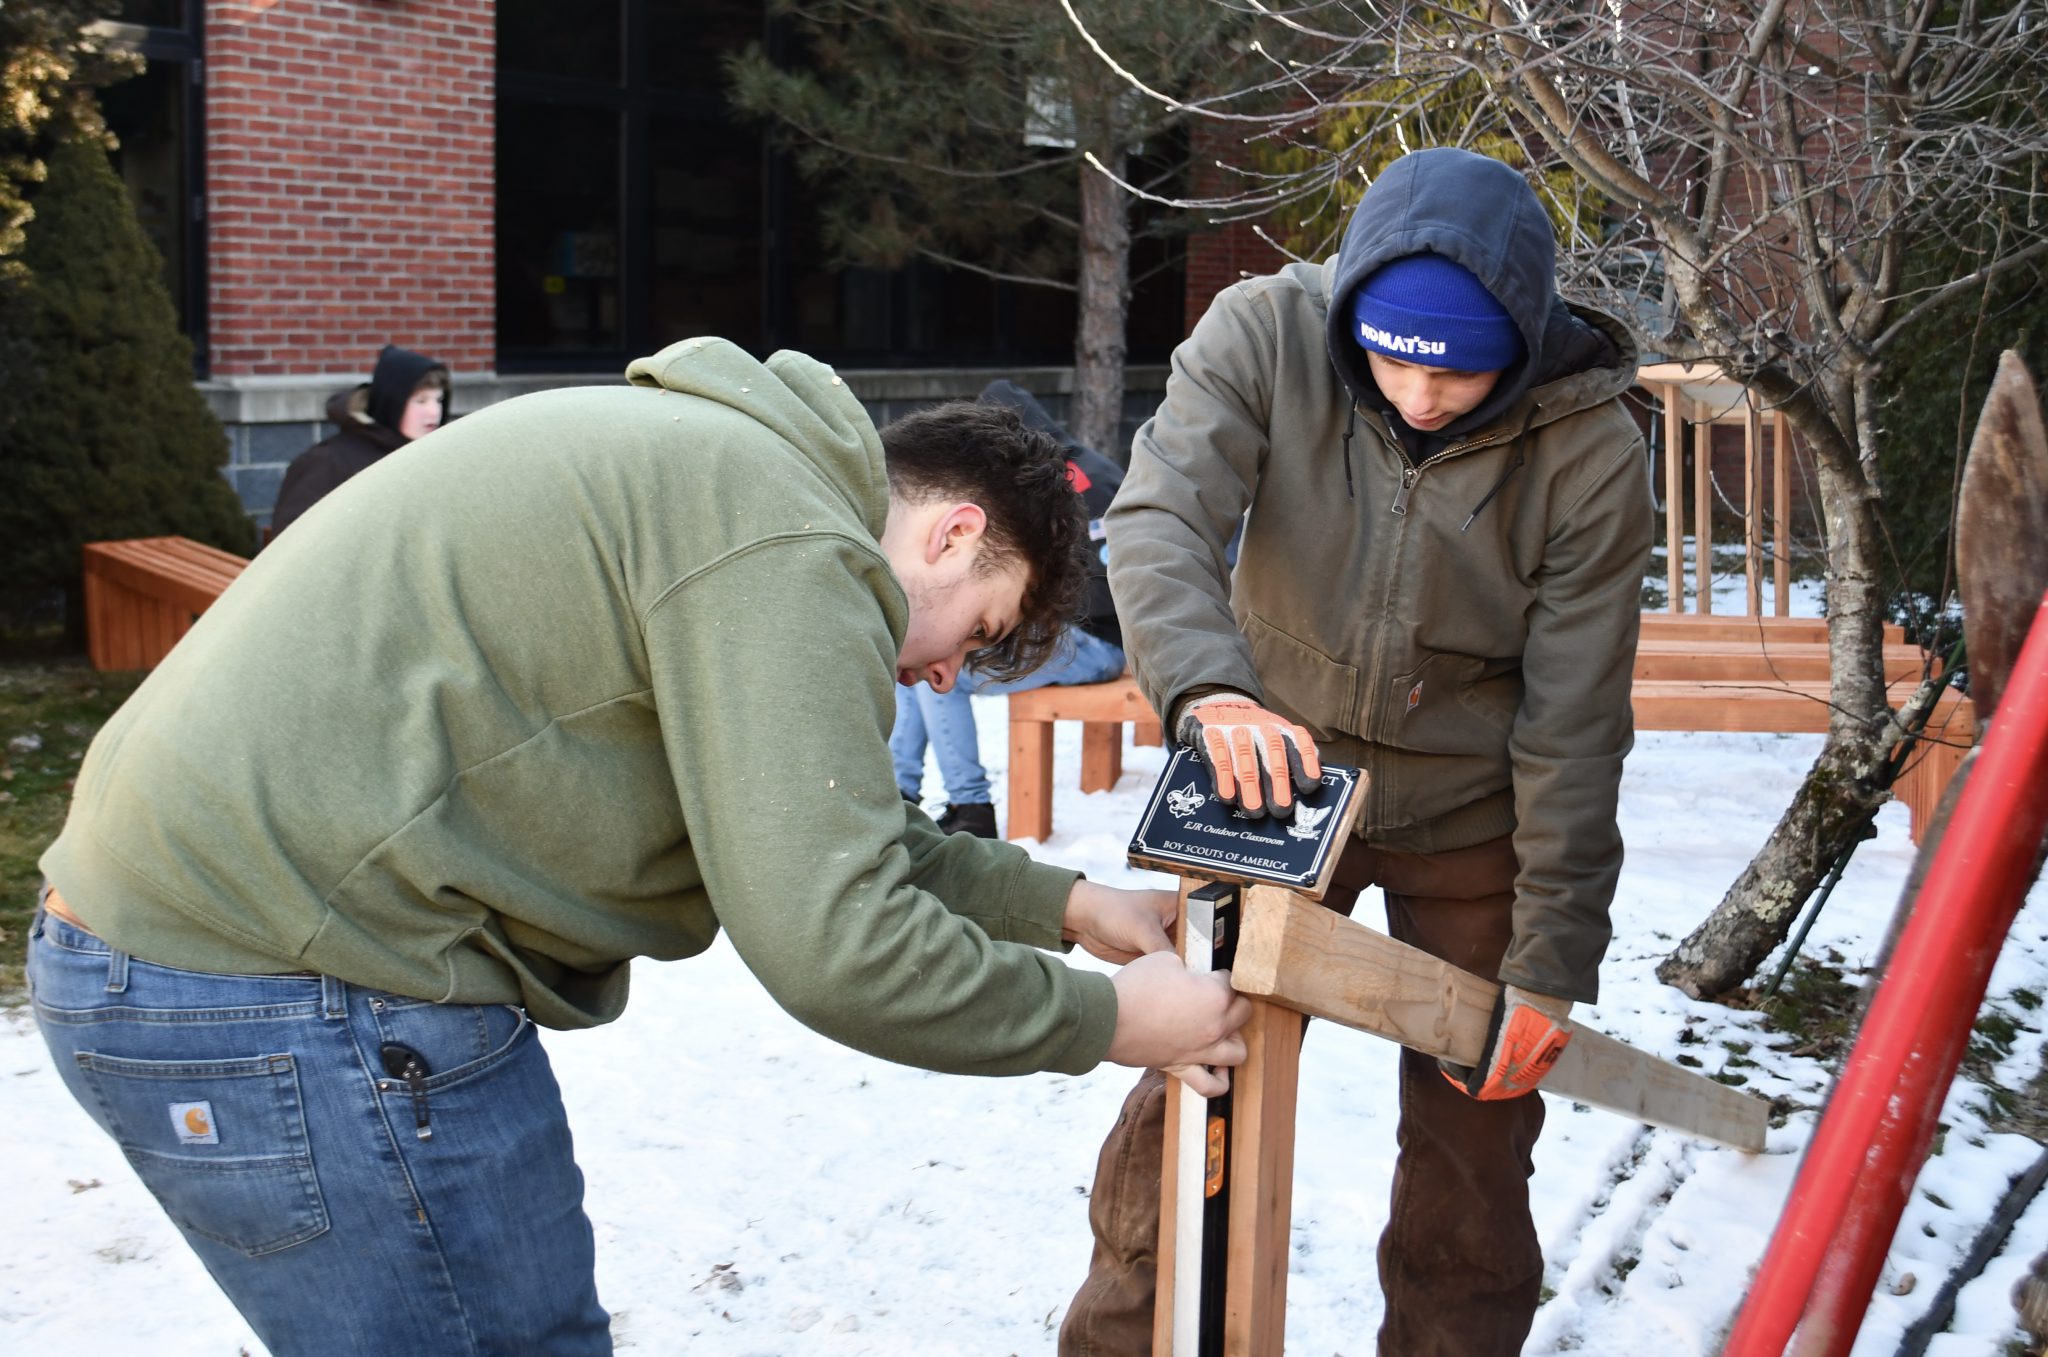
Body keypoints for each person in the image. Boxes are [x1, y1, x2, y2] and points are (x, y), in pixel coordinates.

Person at [28, 336, 1253, 1357]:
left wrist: (1064, 904)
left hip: (213, 947)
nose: (941, 677)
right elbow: (834, 943)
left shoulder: (726, 477)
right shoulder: (783, 544)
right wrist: (1109, 1021)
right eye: (974, 633)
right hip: (281, 980)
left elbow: (830, 828)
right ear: (950, 533)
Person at [1060, 148, 1654, 1356]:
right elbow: (1160, 517)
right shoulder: (1262, 333)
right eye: (1391, 361)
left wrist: (1548, 961)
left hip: (1470, 817)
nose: (1422, 396)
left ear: (1521, 340)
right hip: (1269, 778)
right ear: (1349, 323)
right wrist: (1209, 692)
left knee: (1473, 1145)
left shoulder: (1590, 447)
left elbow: (1574, 720)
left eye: (1459, 370)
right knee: (1192, 1078)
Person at [892, 379, 1127, 838]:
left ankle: (971, 805)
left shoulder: (1080, 478)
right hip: (1063, 630)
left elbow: (1111, 585)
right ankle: (900, 791)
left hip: (1100, 640)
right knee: (917, 655)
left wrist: (1023, 610)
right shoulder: (1036, 479)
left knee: (947, 676)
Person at [269, 343, 449, 536]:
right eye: (421, 401)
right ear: (391, 404)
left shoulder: (437, 458)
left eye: (438, 400)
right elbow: (293, 539)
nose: (434, 412)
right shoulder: (328, 462)